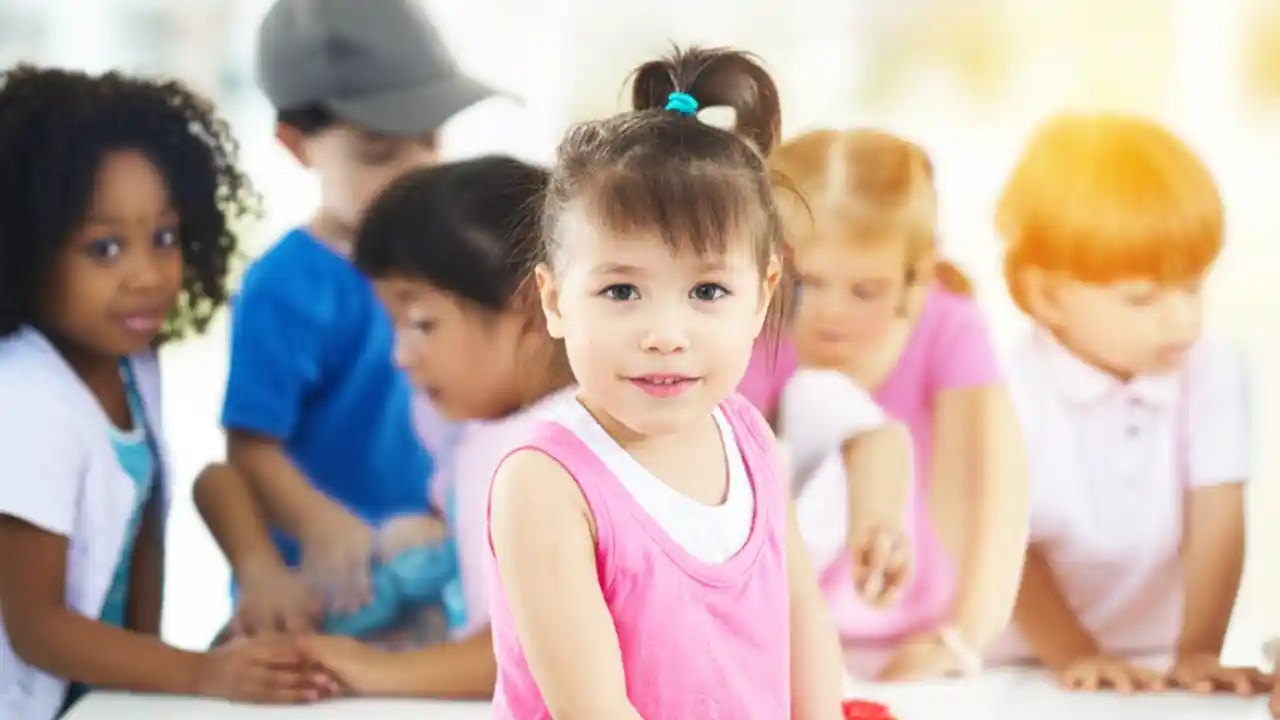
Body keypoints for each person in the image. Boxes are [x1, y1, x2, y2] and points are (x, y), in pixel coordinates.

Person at [487, 47, 844, 719]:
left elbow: (801, 612)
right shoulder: (545, 484)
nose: (665, 333)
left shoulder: (746, 434)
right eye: (622, 290)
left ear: (763, 294)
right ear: (557, 300)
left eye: (708, 290)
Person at [0, 65, 331, 720]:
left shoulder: (130, 362)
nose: (146, 275)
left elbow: (143, 526)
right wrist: (201, 674)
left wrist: (157, 678)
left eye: (165, 237)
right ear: (25, 247)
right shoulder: (26, 401)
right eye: (104, 248)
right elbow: (35, 626)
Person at [213, 0, 498, 633]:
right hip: (326, 598)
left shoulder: (450, 267)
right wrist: (322, 524)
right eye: (380, 150)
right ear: (295, 144)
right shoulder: (286, 285)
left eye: (431, 139)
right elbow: (249, 445)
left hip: (433, 581)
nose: (419, 168)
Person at [991, 113, 1269, 698]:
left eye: (1194, 287)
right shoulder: (1005, 387)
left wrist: (1198, 651)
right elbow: (1007, 546)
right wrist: (1076, 655)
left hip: (1157, 652)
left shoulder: (1211, 367)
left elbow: (1217, 516)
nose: (1185, 319)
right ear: (1046, 295)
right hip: (1024, 661)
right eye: (1142, 298)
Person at [272, 156, 558, 697]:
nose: (401, 356)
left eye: (423, 323)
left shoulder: (537, 457)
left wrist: (362, 667)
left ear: (531, 308)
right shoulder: (495, 435)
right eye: (394, 326)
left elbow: (526, 655)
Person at [758, 128, 1028, 679]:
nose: (830, 312)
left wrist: (960, 637)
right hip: (785, 636)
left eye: (865, 290)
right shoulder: (753, 326)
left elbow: (997, 494)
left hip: (922, 633)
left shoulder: (949, 325)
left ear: (918, 273)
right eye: (805, 283)